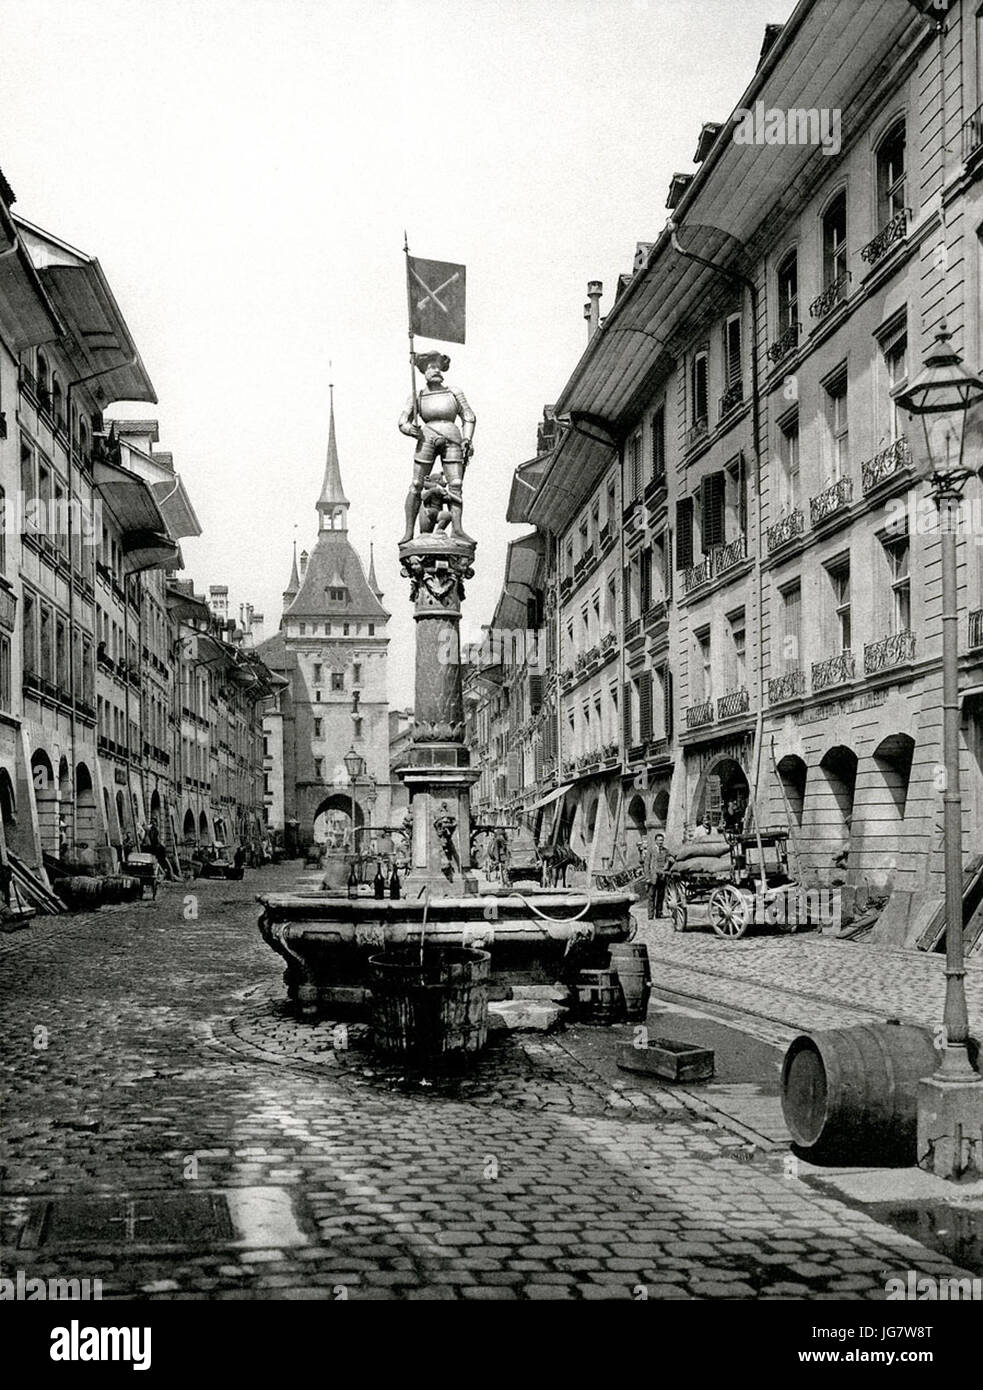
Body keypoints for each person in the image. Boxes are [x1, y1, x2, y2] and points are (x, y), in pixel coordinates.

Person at [398, 351, 476, 542]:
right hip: (426, 436)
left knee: (455, 484)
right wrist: (410, 429)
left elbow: (468, 416)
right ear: (423, 371)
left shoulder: (454, 392)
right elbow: (402, 421)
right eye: (431, 367)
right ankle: (408, 532)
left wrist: (467, 438)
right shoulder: (418, 395)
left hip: (452, 435)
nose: (435, 370)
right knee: (416, 484)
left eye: (438, 366)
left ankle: (457, 528)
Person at [644, 829, 673, 921]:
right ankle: (650, 914)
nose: (660, 842)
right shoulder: (651, 850)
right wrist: (647, 877)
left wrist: (666, 868)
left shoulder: (666, 851)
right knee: (651, 896)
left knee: (660, 896)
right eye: (659, 840)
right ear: (655, 841)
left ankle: (659, 913)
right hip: (653, 876)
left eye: (662, 840)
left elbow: (668, 861)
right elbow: (646, 864)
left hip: (662, 876)